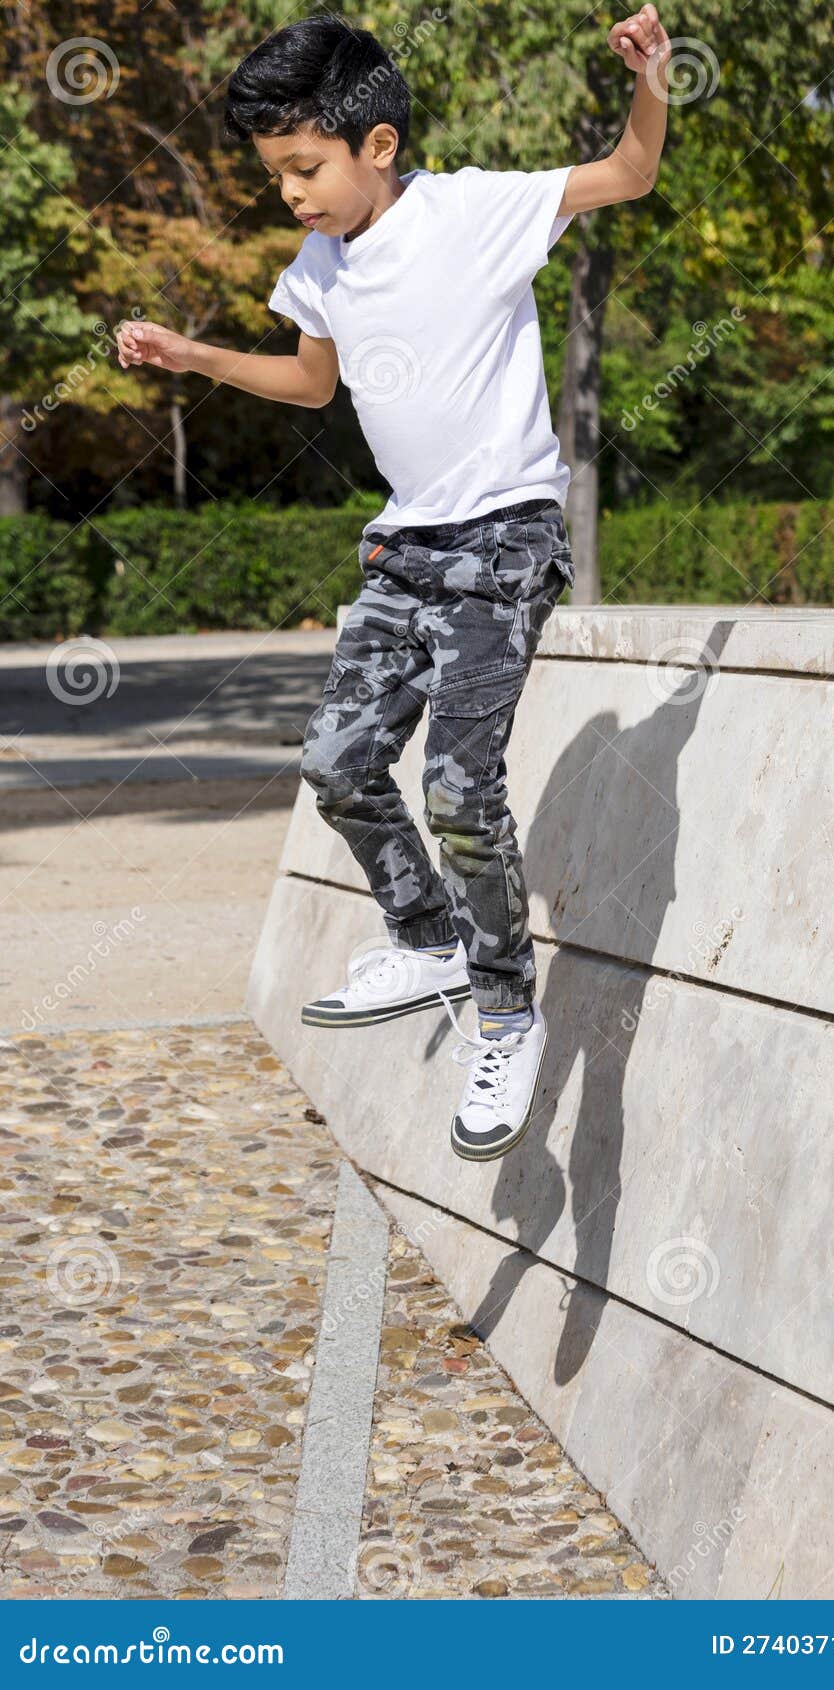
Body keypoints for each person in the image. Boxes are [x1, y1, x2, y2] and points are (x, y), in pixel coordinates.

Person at [115, 7, 671, 1161]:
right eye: (275, 176)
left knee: (461, 786)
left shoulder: (473, 209)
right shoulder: (318, 263)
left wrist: (652, 79)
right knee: (337, 763)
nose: (292, 196)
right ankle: (426, 942)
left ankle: (507, 1008)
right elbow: (317, 385)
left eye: (305, 168)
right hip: (405, 545)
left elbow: (629, 169)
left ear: (376, 145)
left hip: (508, 535)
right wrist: (196, 355)